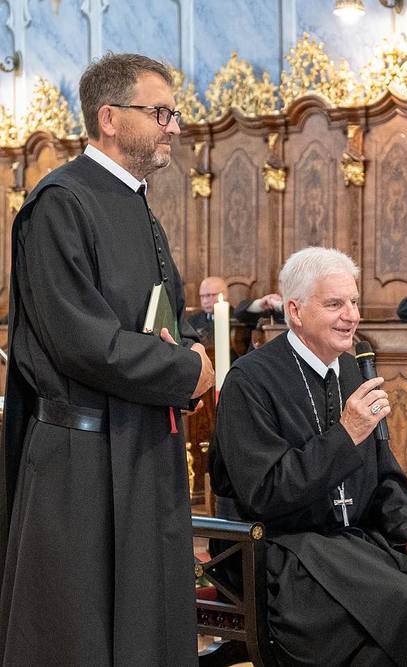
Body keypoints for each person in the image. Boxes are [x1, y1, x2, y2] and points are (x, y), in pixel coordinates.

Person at [0, 53, 215, 664]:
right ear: (111, 117)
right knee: (80, 635)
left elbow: (157, 319)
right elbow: (83, 342)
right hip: (82, 460)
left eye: (175, 113)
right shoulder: (61, 204)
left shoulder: (137, 205)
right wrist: (187, 370)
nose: (175, 125)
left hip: (140, 446)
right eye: (161, 112)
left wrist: (191, 346)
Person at [209, 247, 407, 667]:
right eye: (335, 304)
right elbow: (264, 492)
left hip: (354, 547)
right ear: (295, 311)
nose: (352, 315)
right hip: (284, 557)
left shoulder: (353, 371)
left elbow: (386, 478)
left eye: (354, 301)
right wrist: (346, 435)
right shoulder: (251, 380)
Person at [187, 275, 228, 343]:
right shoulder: (192, 321)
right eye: (202, 296)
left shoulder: (236, 320)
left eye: (209, 295)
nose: (205, 301)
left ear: (224, 294)